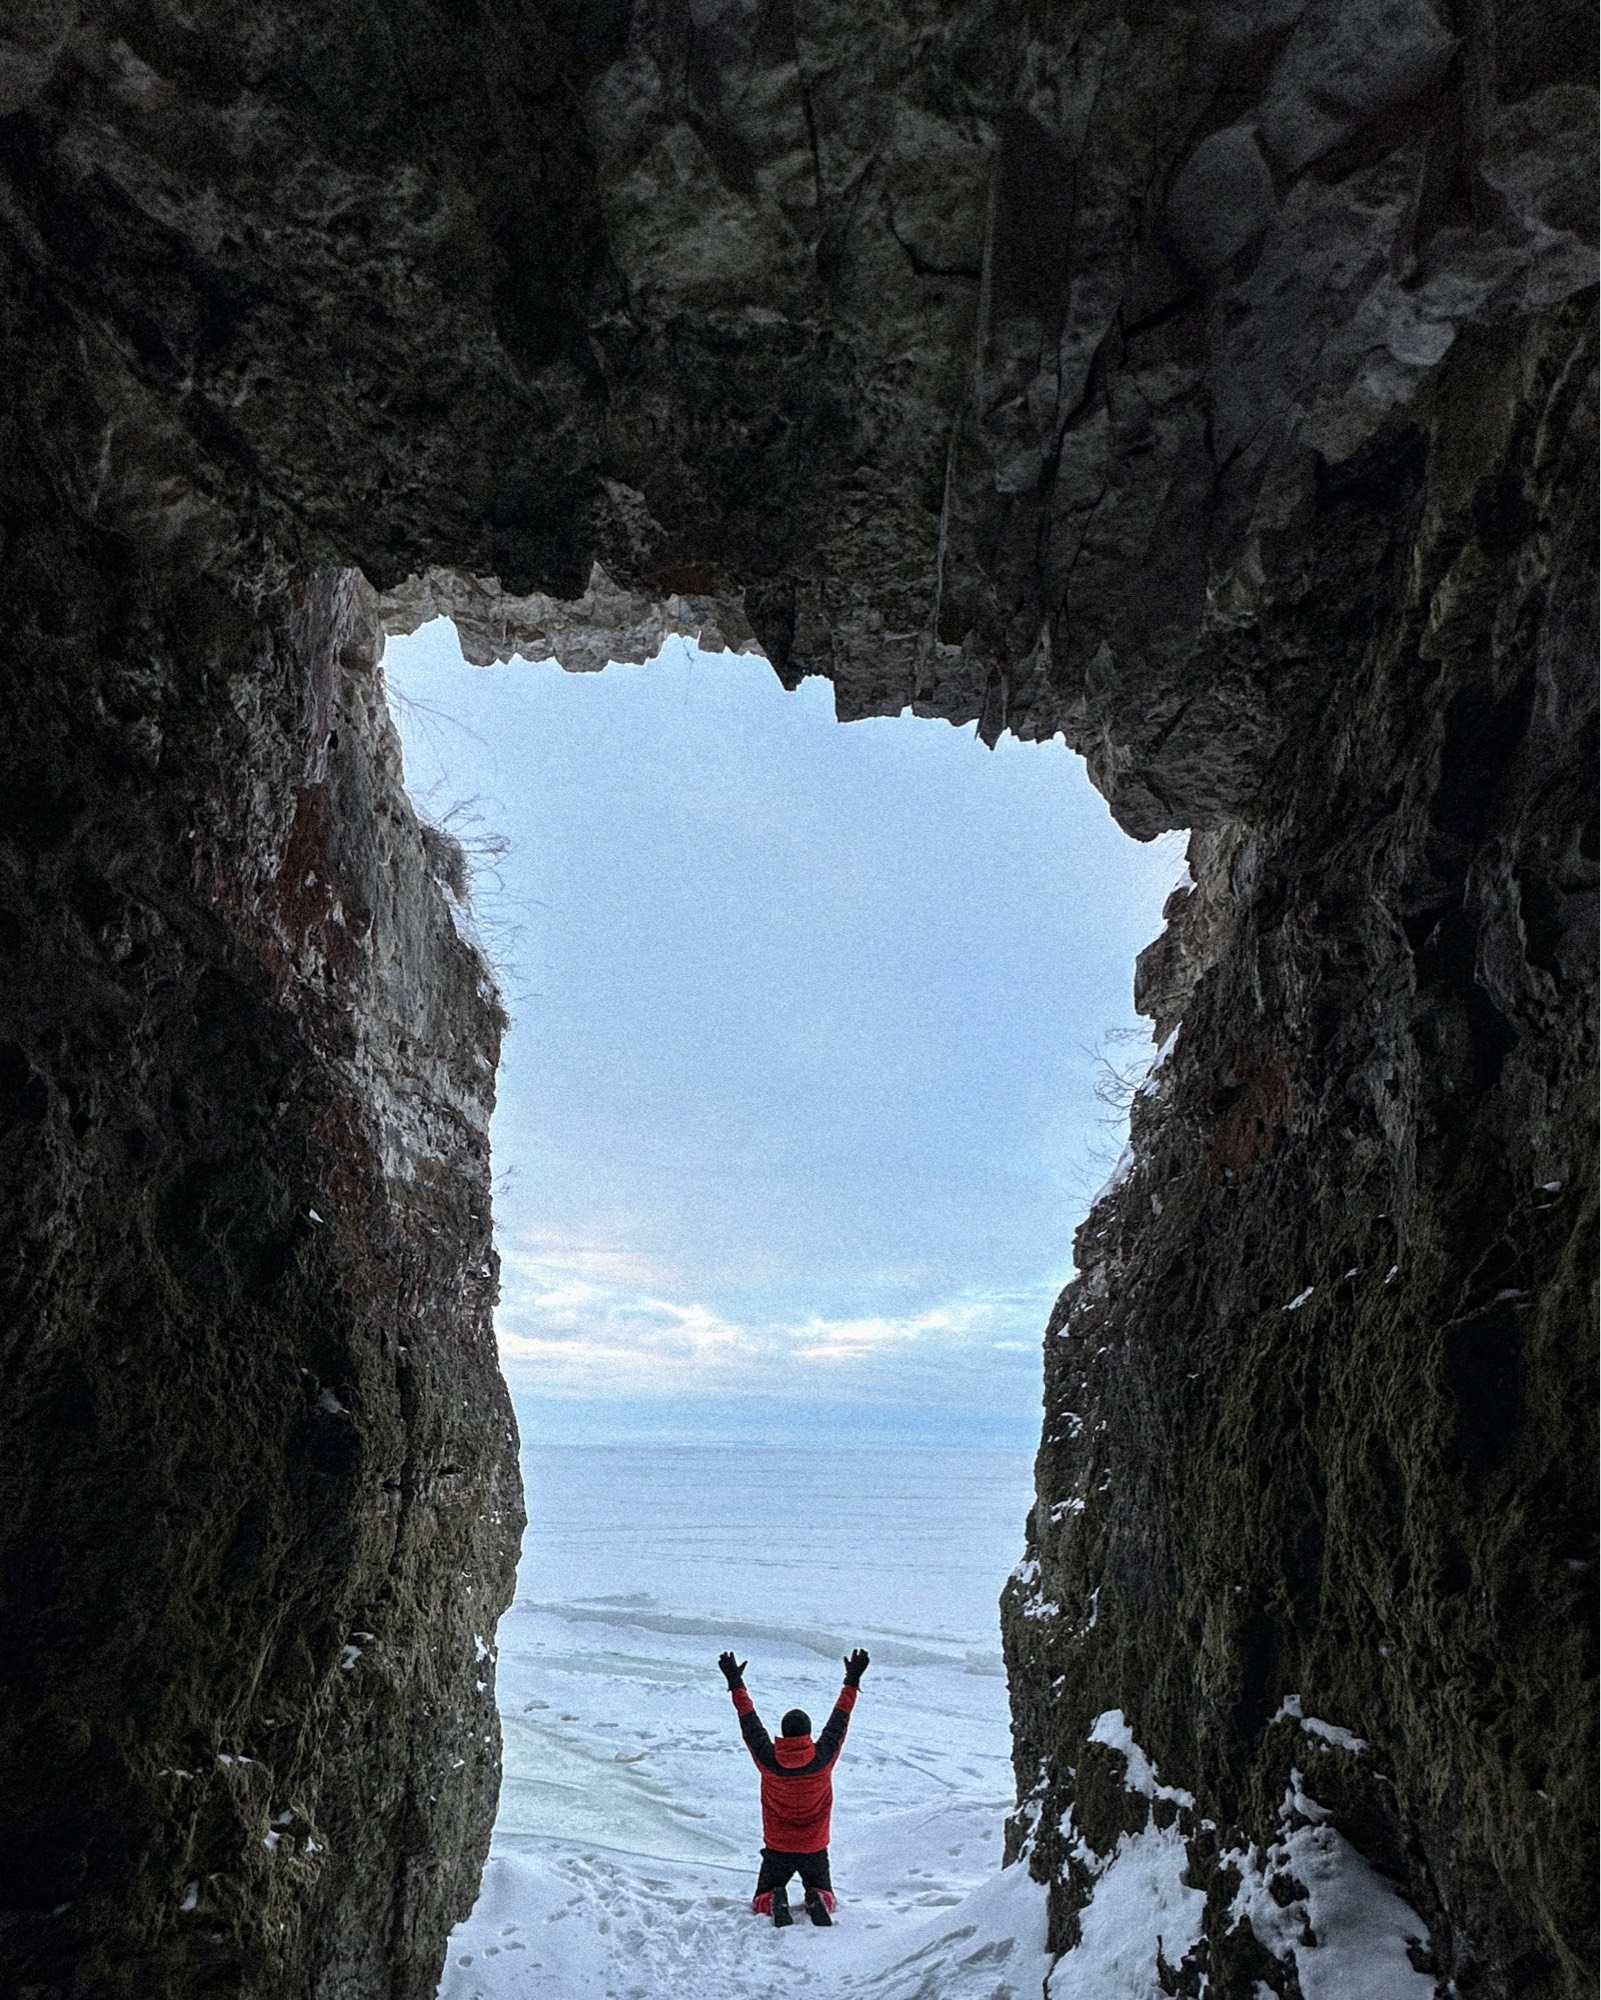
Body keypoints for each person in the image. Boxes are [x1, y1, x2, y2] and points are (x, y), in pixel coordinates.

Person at [718, 1646, 870, 1927]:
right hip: (815, 1844)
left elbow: (749, 1722)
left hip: (778, 1845)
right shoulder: (823, 1757)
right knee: (827, 1893)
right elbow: (840, 1720)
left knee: (761, 1898)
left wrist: (736, 1683)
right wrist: (852, 1681)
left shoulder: (768, 1758)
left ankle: (774, 1898)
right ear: (808, 1733)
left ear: (784, 1733)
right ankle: (818, 1898)